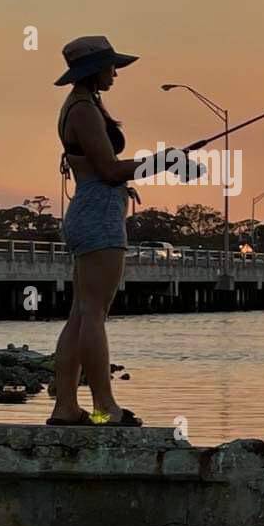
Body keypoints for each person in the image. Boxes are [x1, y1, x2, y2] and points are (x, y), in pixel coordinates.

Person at [47, 36, 182, 426]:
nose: (115, 73)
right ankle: (105, 407)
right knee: (93, 314)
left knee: (80, 314)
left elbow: (102, 169)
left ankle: (66, 408)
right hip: (97, 215)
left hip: (92, 209)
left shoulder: (81, 105)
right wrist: (162, 161)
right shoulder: (84, 110)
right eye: (111, 67)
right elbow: (107, 170)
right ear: (94, 70)